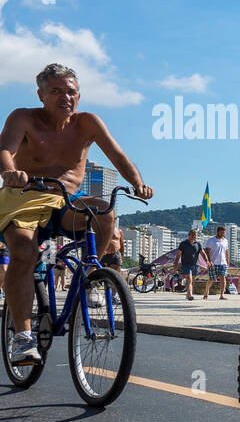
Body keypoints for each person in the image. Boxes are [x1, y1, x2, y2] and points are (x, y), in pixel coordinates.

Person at [0, 63, 152, 365]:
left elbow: (118, 156)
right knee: (23, 251)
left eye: (70, 92)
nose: (64, 97)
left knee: (105, 213)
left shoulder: (88, 123)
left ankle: (91, 277)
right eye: (56, 91)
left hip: (68, 201)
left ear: (78, 97)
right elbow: (5, 149)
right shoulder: (23, 117)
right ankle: (23, 338)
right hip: (25, 196)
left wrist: (137, 182)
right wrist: (10, 172)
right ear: (41, 94)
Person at [202, 225, 230, 299]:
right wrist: (209, 261)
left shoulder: (225, 241)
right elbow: (207, 251)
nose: (222, 234)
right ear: (217, 232)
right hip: (213, 263)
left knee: (223, 277)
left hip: (223, 263)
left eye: (223, 233)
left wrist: (227, 261)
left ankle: (222, 295)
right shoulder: (211, 240)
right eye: (221, 233)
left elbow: (226, 252)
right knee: (211, 279)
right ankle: (206, 292)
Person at [174, 229, 202, 300]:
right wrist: (176, 264)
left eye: (195, 235)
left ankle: (188, 293)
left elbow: (202, 253)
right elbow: (178, 255)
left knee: (192, 280)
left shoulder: (198, 244)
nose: (194, 236)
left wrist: (207, 261)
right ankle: (190, 295)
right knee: (189, 279)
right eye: (192, 235)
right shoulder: (183, 244)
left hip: (195, 265)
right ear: (189, 235)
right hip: (186, 265)